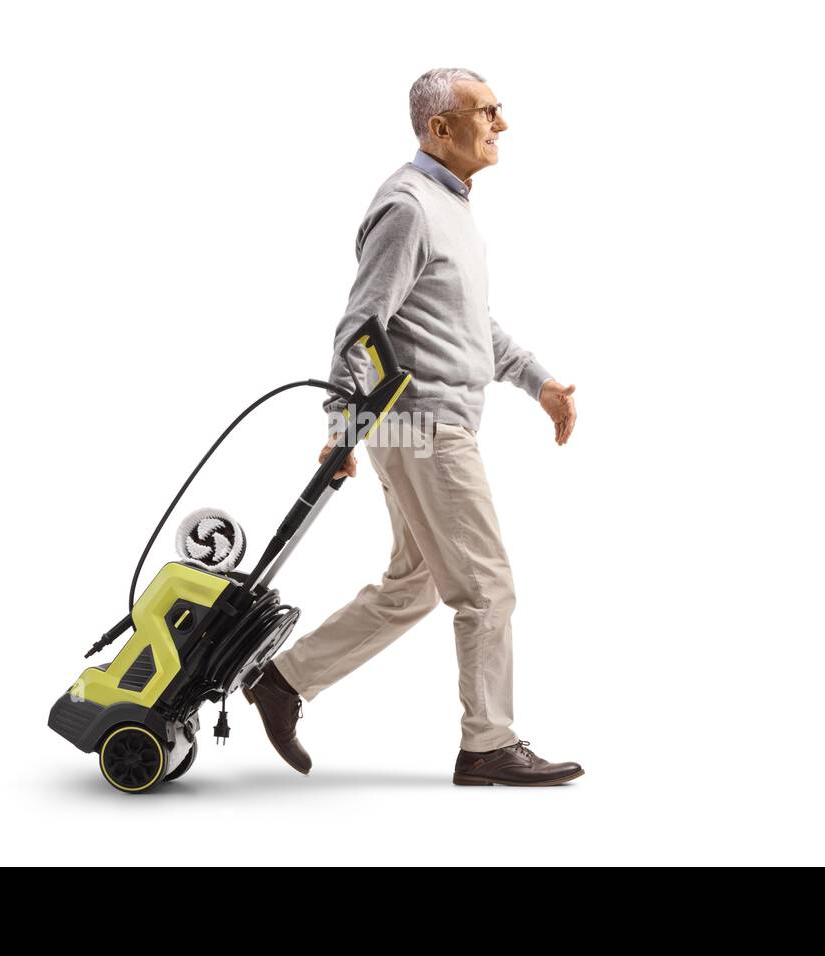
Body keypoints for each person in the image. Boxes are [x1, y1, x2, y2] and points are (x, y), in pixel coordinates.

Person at [243, 67, 582, 786]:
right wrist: (341, 425)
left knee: (413, 586)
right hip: (424, 430)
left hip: (424, 428)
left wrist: (540, 382)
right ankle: (487, 744)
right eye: (487, 111)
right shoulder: (408, 206)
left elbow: (470, 326)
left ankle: (281, 680)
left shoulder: (449, 206)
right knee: (486, 588)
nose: (501, 124)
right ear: (440, 127)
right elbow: (361, 325)